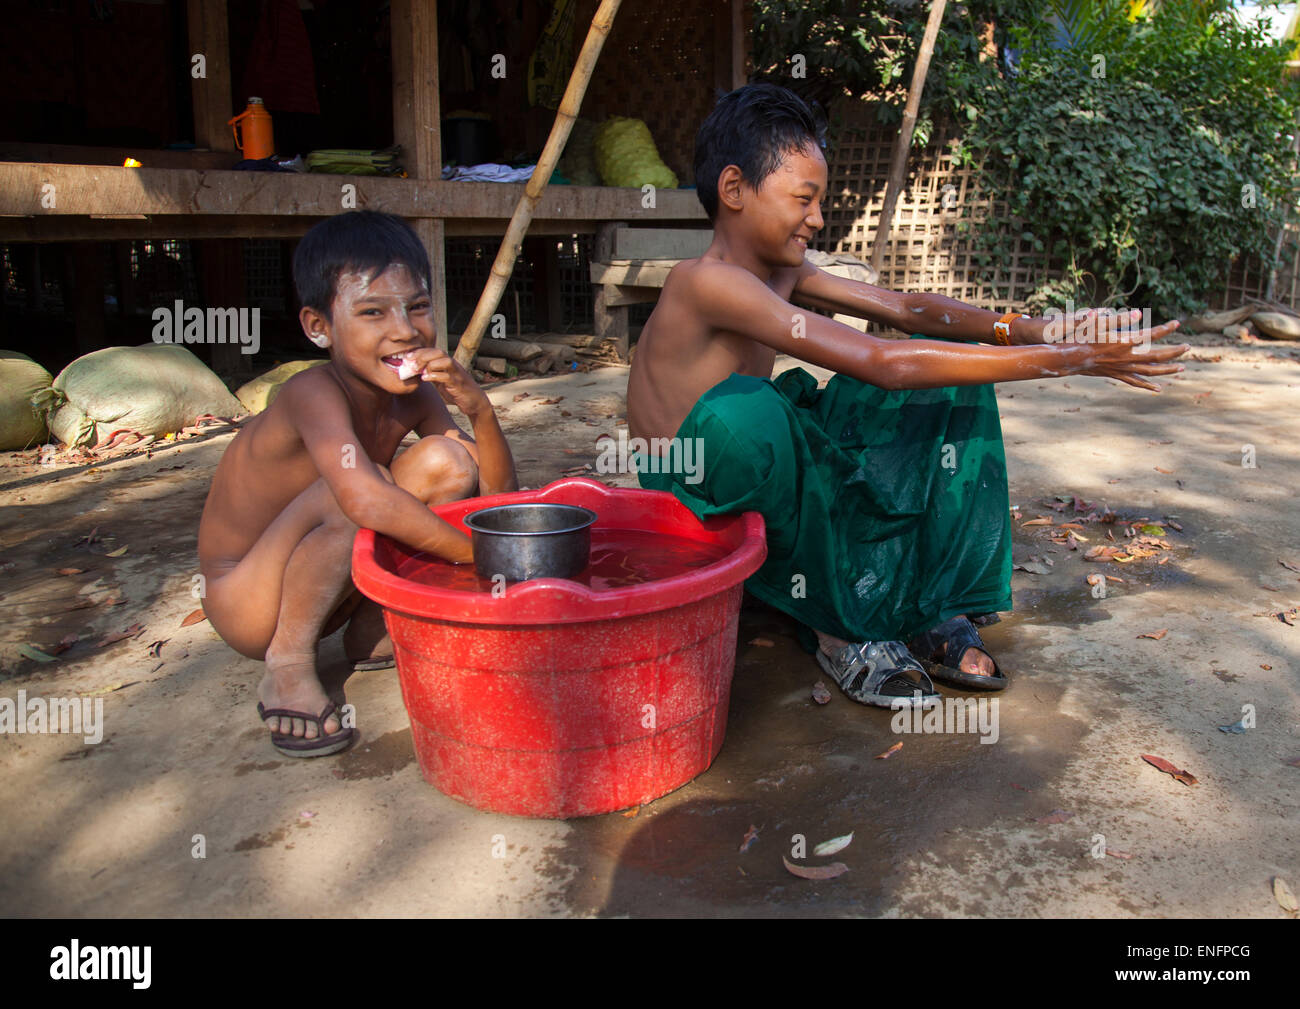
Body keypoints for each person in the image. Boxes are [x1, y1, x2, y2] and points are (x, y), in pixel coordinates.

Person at [625, 84, 1188, 709]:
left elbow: (907, 310)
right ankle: (840, 630)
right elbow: (880, 362)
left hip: (764, 474)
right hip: (691, 503)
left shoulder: (783, 270)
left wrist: (1031, 330)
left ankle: (924, 599)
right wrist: (1064, 361)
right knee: (752, 414)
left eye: (820, 202)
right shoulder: (704, 283)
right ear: (734, 190)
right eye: (804, 200)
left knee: (941, 376)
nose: (817, 219)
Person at [197, 210, 517, 755]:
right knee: (359, 492)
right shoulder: (310, 393)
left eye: (417, 307)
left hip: (324, 572)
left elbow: (497, 500)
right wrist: (482, 556)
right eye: (372, 312)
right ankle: (289, 663)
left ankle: (369, 627)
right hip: (247, 599)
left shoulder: (413, 391)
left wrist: (480, 410)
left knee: (447, 462)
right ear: (318, 327)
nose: (404, 330)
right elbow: (362, 500)